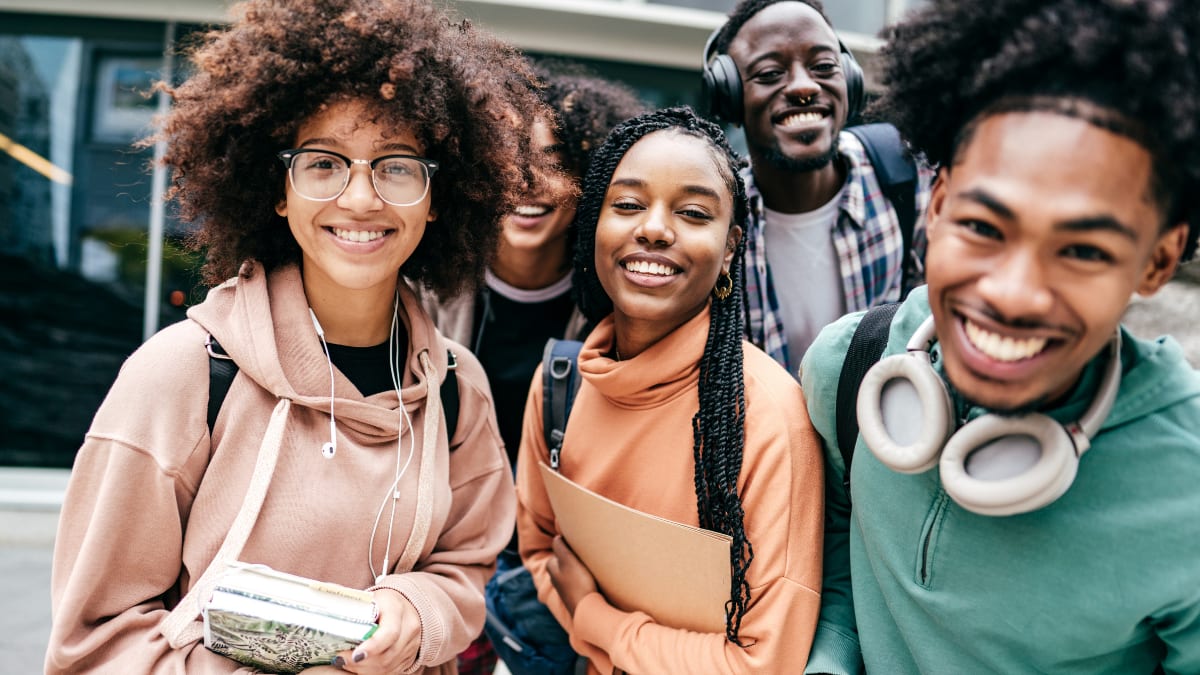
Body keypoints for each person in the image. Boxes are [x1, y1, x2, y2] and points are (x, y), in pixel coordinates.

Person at [44, 1, 546, 672]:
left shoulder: (457, 388)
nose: (362, 198)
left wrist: (415, 607)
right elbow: (93, 643)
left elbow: (466, 566)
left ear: (436, 198)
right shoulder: (185, 374)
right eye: (323, 163)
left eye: (397, 166)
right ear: (279, 189)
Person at [799, 0, 1200, 673]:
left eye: (1083, 251)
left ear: (1158, 261)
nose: (1012, 294)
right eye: (984, 227)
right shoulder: (848, 367)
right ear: (938, 204)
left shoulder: (1187, 480)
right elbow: (835, 548)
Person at [515, 106, 825, 674]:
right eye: (628, 204)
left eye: (692, 212)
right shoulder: (559, 385)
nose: (654, 228)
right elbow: (539, 552)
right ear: (595, 224)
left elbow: (764, 663)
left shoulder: (769, 420)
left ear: (730, 247)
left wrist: (595, 619)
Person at [420, 60, 646, 675]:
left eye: (554, 162)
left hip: (555, 575)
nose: (527, 182)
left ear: (591, 182)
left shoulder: (619, 302)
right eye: (509, 158)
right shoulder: (426, 287)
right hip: (442, 556)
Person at [703, 0, 936, 371]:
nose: (803, 87)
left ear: (850, 78)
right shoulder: (712, 223)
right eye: (769, 73)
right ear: (729, 95)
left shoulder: (908, 174)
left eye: (824, 66)